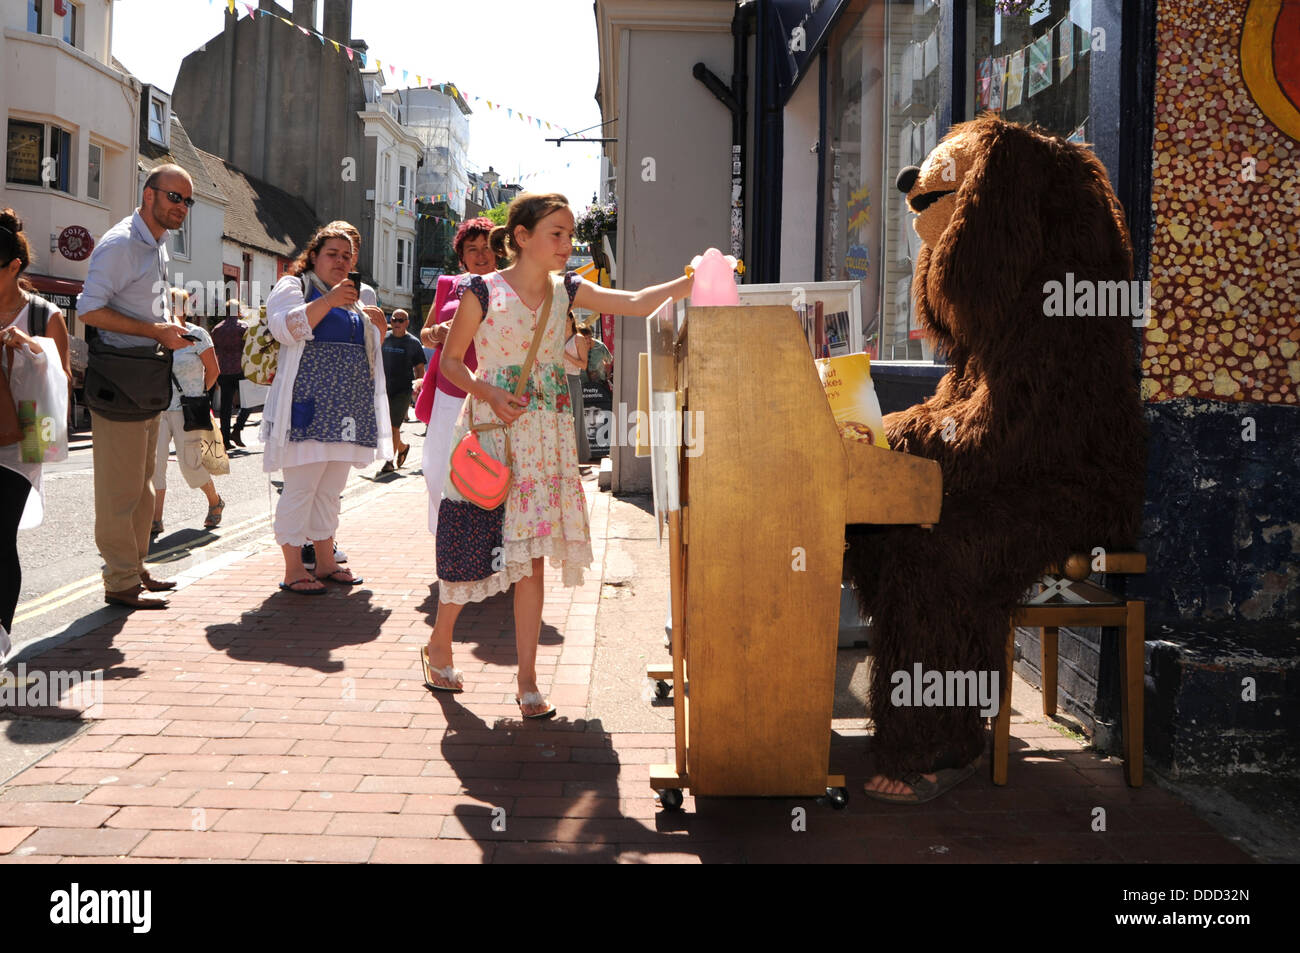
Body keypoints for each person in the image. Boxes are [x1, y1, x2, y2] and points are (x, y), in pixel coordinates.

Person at [423, 192, 695, 717]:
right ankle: (440, 643)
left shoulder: (569, 289)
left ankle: (527, 680)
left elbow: (637, 302)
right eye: (557, 233)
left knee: (532, 561)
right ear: (521, 237)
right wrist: (488, 393)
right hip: (493, 434)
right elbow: (453, 363)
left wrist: (692, 280)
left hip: (546, 438)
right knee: (471, 547)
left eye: (571, 234)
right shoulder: (482, 290)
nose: (567, 244)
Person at [77, 164, 195, 609]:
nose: (181, 207)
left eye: (187, 201)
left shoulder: (157, 243)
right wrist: (155, 332)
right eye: (173, 197)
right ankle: (120, 580)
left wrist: (168, 326)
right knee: (119, 490)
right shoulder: (122, 243)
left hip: (145, 376)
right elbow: (89, 310)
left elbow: (143, 311)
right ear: (149, 195)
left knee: (144, 484)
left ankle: (136, 566)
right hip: (120, 378)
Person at [263, 223, 391, 595]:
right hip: (309, 405)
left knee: (331, 489)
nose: (340, 261)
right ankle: (291, 568)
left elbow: (364, 349)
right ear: (314, 256)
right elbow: (285, 329)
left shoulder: (357, 295)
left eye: (347, 256)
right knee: (301, 487)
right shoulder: (295, 286)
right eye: (332, 254)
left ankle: (325, 561)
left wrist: (378, 329)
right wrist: (329, 301)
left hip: (348, 409)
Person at [0, 209, 71, 650]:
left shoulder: (44, 316)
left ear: (13, 268)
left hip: (22, 437)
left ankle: (0, 636)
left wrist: (31, 349)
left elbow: (62, 387)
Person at [417, 217, 495, 538]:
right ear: (461, 255)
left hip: (488, 393)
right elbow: (423, 335)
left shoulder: (507, 286)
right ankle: (446, 540)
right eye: (471, 249)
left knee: (484, 473)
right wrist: (437, 331)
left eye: (487, 248)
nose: (480, 255)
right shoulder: (448, 286)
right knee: (435, 472)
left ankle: (481, 545)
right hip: (448, 394)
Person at [150, 289, 223, 537]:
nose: (169, 308)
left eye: (175, 304)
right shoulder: (154, 336)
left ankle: (215, 501)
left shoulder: (198, 334)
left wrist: (199, 394)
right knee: (154, 466)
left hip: (187, 410)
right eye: (165, 304)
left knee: (190, 465)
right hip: (158, 409)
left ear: (184, 308)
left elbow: (213, 371)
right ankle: (155, 520)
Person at [379, 308, 425, 472]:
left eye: (400, 320)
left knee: (393, 427)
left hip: (403, 391)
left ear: (407, 323)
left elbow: (420, 368)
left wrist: (418, 389)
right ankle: (403, 447)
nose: (396, 323)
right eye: (393, 320)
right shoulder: (384, 338)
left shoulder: (413, 343)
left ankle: (389, 461)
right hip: (383, 389)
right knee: (383, 427)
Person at [211, 298, 251, 450]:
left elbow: (214, 351)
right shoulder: (244, 327)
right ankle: (238, 428)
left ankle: (225, 439)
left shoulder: (217, 329)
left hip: (223, 371)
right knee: (248, 403)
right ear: (238, 310)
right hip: (241, 370)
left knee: (226, 407)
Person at [562, 311, 591, 463]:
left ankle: (576, 455)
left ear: (572, 320)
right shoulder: (556, 337)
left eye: (567, 319)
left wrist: (565, 355)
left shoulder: (578, 339)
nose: (564, 322)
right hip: (557, 382)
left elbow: (584, 365)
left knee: (574, 419)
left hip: (573, 381)